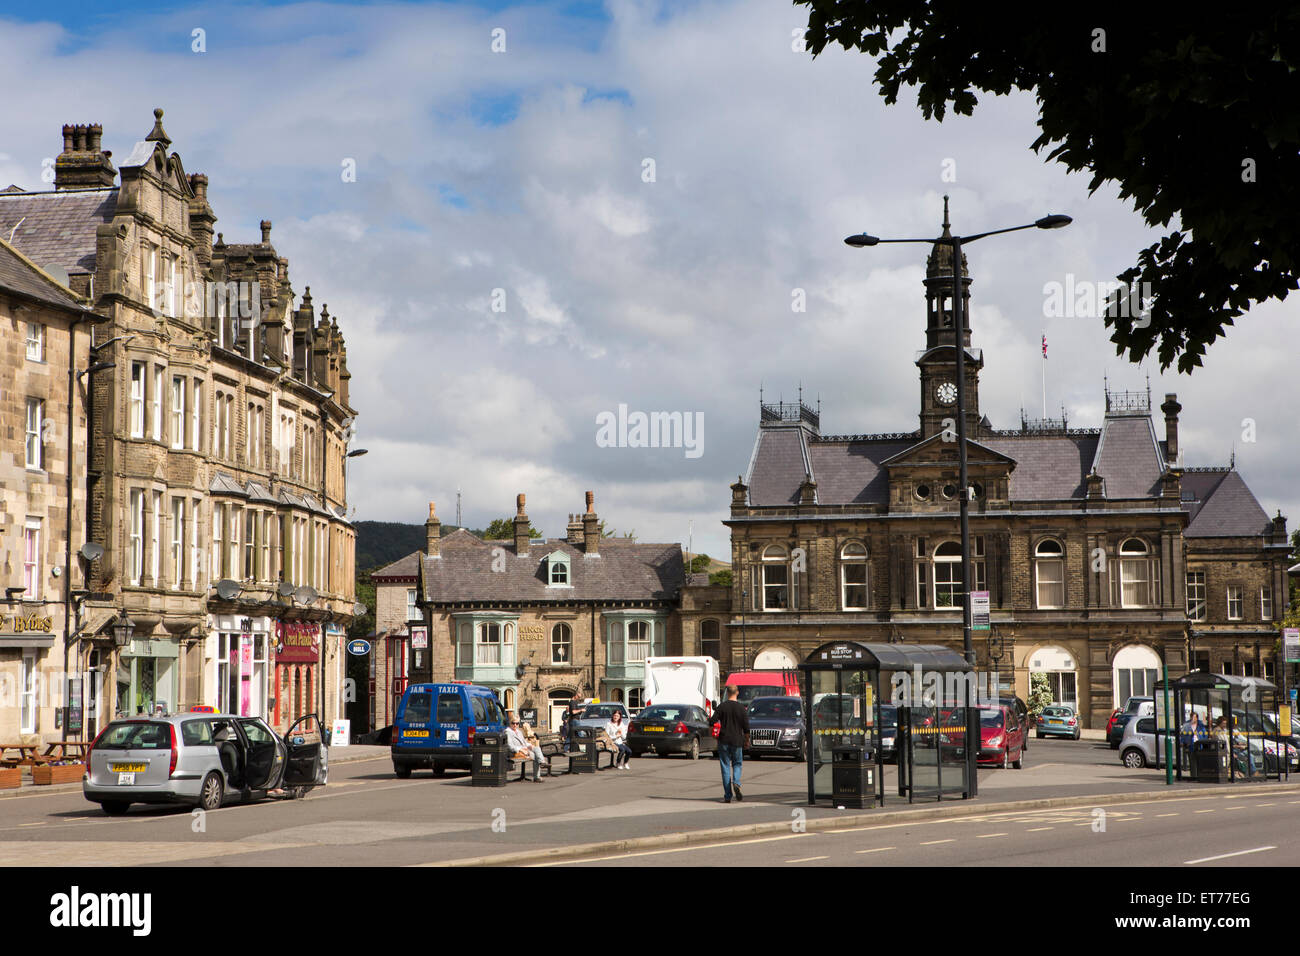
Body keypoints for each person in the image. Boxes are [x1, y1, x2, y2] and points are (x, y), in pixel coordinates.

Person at [711, 685, 749, 803]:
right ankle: (736, 783)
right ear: (737, 692)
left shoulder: (722, 707)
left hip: (724, 740)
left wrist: (713, 735)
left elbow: (711, 722)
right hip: (737, 740)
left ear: (727, 693)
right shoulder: (742, 708)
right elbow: (746, 728)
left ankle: (728, 796)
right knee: (737, 764)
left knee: (725, 766)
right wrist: (746, 741)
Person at [506, 715, 547, 782]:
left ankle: (542, 762)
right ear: (510, 723)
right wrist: (521, 749)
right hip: (516, 752)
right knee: (535, 756)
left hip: (524, 749)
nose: (515, 725)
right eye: (513, 723)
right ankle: (537, 776)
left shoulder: (519, 732)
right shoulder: (508, 732)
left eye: (517, 723)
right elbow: (510, 746)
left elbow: (524, 742)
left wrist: (529, 745)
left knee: (536, 748)